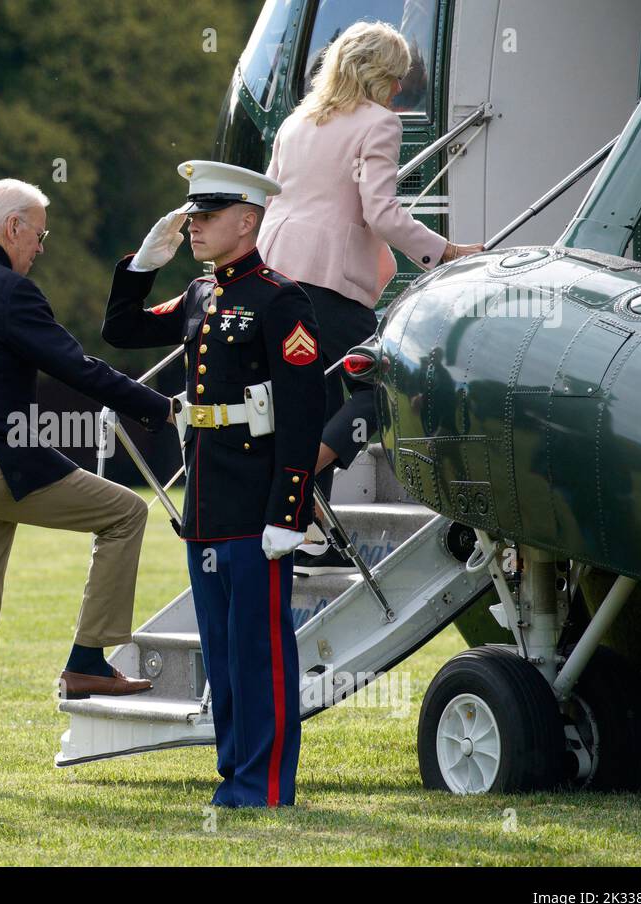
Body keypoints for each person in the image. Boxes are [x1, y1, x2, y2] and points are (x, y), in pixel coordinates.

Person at [0, 178, 174, 795]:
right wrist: (158, 408)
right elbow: (78, 368)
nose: (42, 248)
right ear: (13, 228)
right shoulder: (9, 291)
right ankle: (86, 662)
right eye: (40, 234)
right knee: (125, 513)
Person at [104, 161, 325, 807]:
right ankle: (235, 776)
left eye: (208, 214)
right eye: (191, 213)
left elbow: (303, 409)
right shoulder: (203, 295)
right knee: (223, 652)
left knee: (259, 653)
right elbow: (120, 329)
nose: (193, 223)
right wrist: (142, 264)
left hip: (256, 501)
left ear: (248, 220)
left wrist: (288, 508)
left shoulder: (281, 299)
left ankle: (264, 785)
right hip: (205, 499)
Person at [256, 20, 482, 574]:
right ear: (382, 75)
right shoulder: (379, 123)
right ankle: (295, 491)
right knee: (383, 388)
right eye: (398, 78)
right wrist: (446, 252)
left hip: (272, 272)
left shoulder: (297, 120)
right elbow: (380, 212)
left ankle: (313, 534)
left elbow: (271, 196)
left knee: (321, 400)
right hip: (324, 281)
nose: (401, 90)